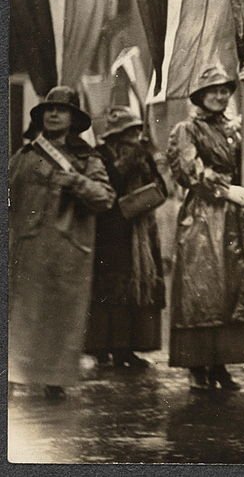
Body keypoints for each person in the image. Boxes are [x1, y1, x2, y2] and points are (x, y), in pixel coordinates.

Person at [167, 61, 244, 391]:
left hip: (239, 220)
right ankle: (197, 366)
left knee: (232, 295)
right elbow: (187, 169)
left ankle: (220, 364)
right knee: (204, 292)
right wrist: (224, 189)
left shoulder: (239, 128)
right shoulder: (186, 129)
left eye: (224, 91)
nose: (219, 96)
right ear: (200, 96)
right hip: (205, 217)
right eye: (212, 91)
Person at [9, 87, 115, 399]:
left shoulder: (86, 159)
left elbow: (105, 198)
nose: (53, 114)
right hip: (27, 248)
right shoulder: (24, 157)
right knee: (22, 314)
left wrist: (77, 182)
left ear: (73, 119)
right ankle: (13, 376)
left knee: (59, 317)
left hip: (67, 250)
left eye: (62, 110)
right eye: (49, 109)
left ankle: (54, 380)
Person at [84, 107, 167, 370]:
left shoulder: (143, 155)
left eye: (135, 131)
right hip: (108, 232)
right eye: (127, 132)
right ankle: (102, 348)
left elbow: (161, 187)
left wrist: (146, 168)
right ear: (114, 136)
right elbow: (107, 185)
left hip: (139, 229)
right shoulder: (99, 155)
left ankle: (127, 348)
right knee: (108, 292)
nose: (133, 137)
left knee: (135, 291)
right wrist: (127, 164)